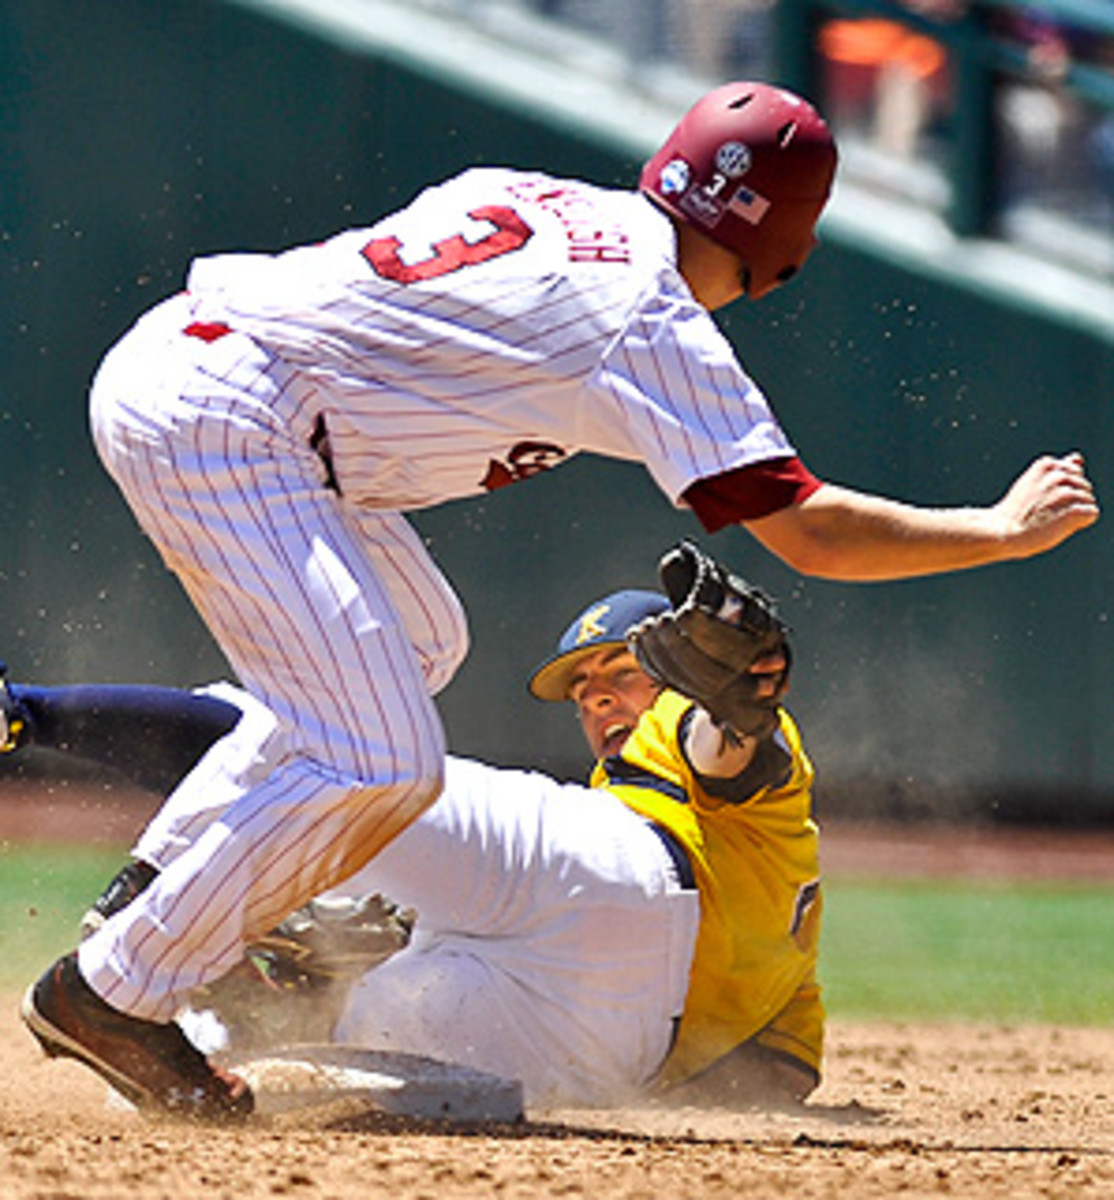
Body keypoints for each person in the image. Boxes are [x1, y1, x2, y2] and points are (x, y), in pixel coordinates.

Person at [20, 80, 1098, 1120]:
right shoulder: (650, 319)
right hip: (230, 422)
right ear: (786, 253)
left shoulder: (542, 195)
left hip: (215, 380)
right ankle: (112, 989)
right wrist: (997, 532)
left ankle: (159, 894)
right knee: (384, 758)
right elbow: (807, 532)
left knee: (419, 645)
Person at [10, 547, 821, 1111]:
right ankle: (261, 983)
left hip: (613, 872)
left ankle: (22, 715)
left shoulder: (692, 728)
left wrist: (736, 703)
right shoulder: (775, 893)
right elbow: (777, 1078)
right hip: (602, 1048)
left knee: (315, 749)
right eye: (582, 689)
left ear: (685, 668)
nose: (597, 698)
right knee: (309, 1026)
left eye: (619, 673)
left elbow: (731, 748)